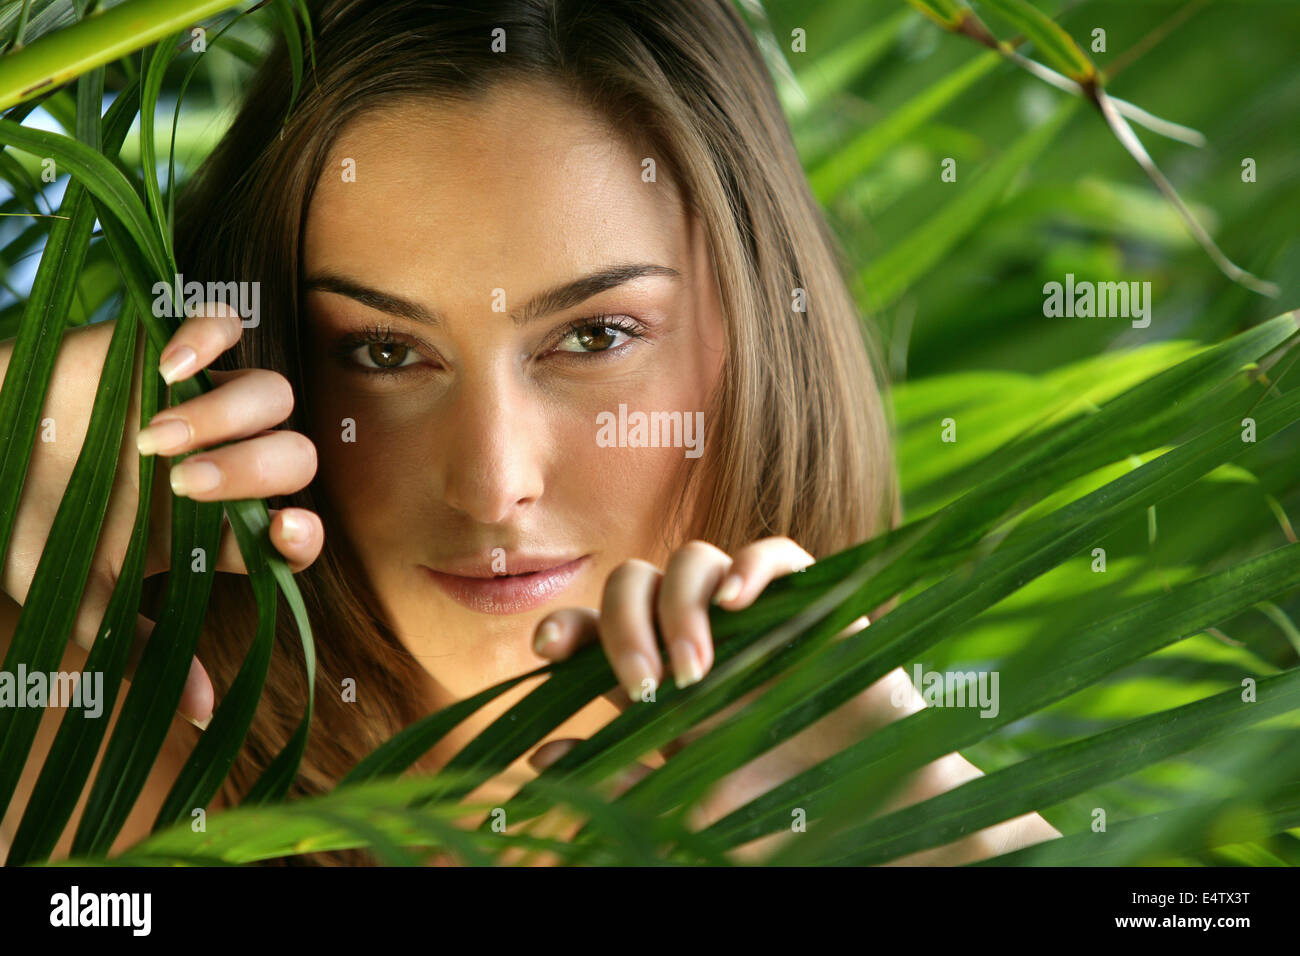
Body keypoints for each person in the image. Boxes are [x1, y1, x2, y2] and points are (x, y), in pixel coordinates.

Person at [0, 0, 1059, 864]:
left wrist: (942, 833)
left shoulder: (903, 798)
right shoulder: (95, 744)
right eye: (380, 352)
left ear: (756, 339)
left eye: (595, 335)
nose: (492, 479)